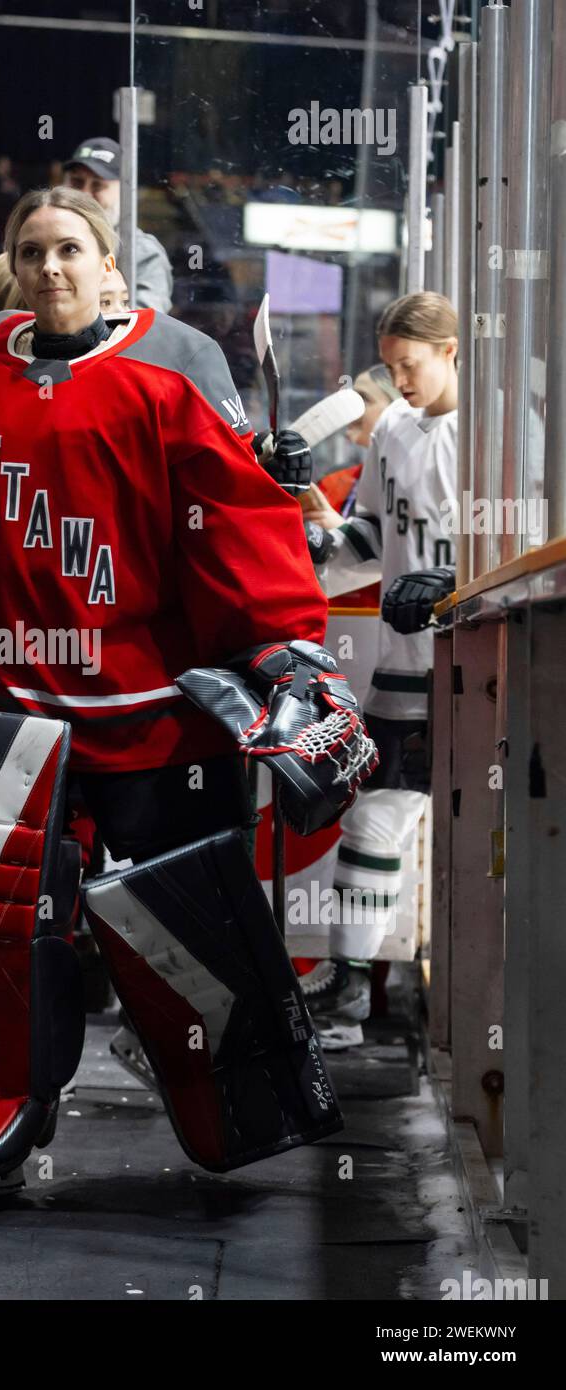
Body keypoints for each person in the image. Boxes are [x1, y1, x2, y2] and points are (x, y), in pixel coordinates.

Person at [0, 187, 377, 1189]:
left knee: (190, 912)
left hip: (147, 700)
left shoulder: (169, 372)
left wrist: (282, 657)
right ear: (13, 265)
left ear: (108, 268)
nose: (51, 268)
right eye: (33, 251)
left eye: (71, 251)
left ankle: (241, 1097)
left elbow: (231, 523)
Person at [301, 292, 459, 1048]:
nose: (398, 380)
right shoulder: (394, 425)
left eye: (410, 364)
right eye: (390, 365)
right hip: (400, 670)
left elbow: (527, 538)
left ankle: (370, 991)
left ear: (451, 350)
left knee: (476, 833)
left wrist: (452, 583)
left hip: (474, 667)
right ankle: (350, 985)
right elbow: (367, 530)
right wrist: (317, 549)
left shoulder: (493, 430)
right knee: (370, 817)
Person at [61, 136, 173, 312]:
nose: (84, 196)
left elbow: (144, 324)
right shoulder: (42, 241)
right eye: (77, 182)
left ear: (124, 191)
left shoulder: (142, 252)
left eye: (97, 186)